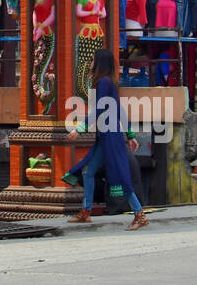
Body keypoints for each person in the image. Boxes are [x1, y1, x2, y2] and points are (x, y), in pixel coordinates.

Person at [63, 48, 148, 231]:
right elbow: (120, 110)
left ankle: (139, 214)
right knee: (88, 171)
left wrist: (80, 129)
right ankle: (86, 211)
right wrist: (130, 135)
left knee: (119, 175)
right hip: (106, 135)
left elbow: (100, 109)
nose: (91, 63)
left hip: (110, 136)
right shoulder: (108, 83)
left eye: (93, 60)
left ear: (99, 63)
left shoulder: (103, 83)